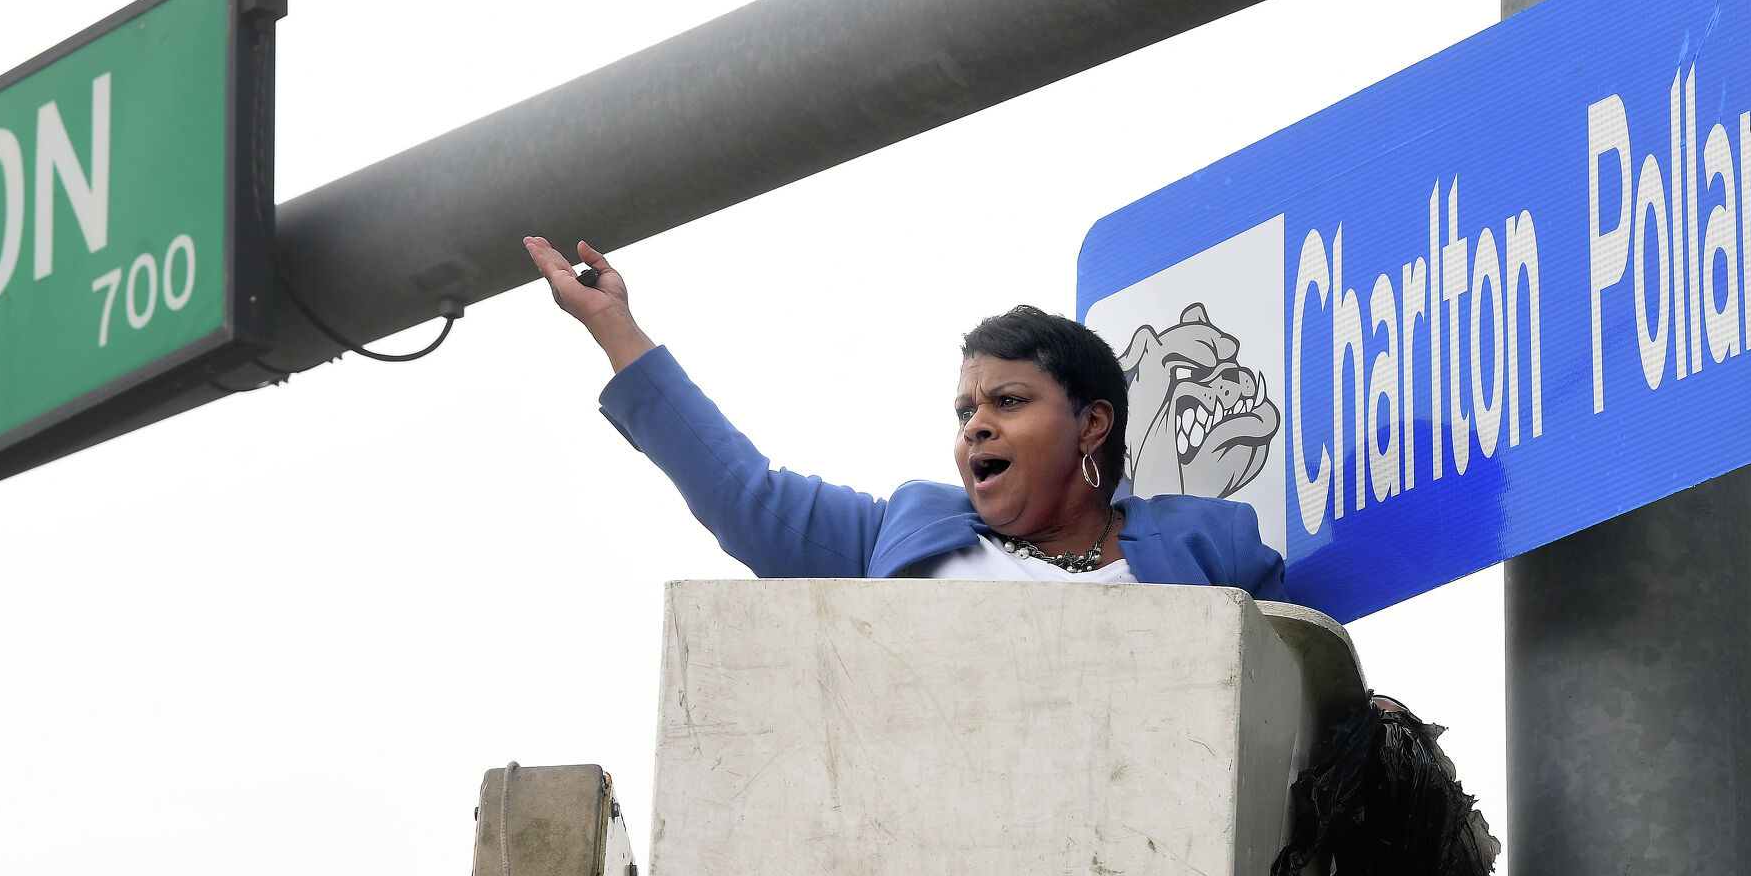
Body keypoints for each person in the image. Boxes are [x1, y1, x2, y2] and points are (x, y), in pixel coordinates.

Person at [523, 236, 1285, 597]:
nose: (975, 427)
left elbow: (1310, 718)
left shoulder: (1213, 546)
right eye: (966, 411)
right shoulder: (903, 531)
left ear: (1092, 425)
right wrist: (613, 327)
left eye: (1008, 402)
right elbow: (743, 495)